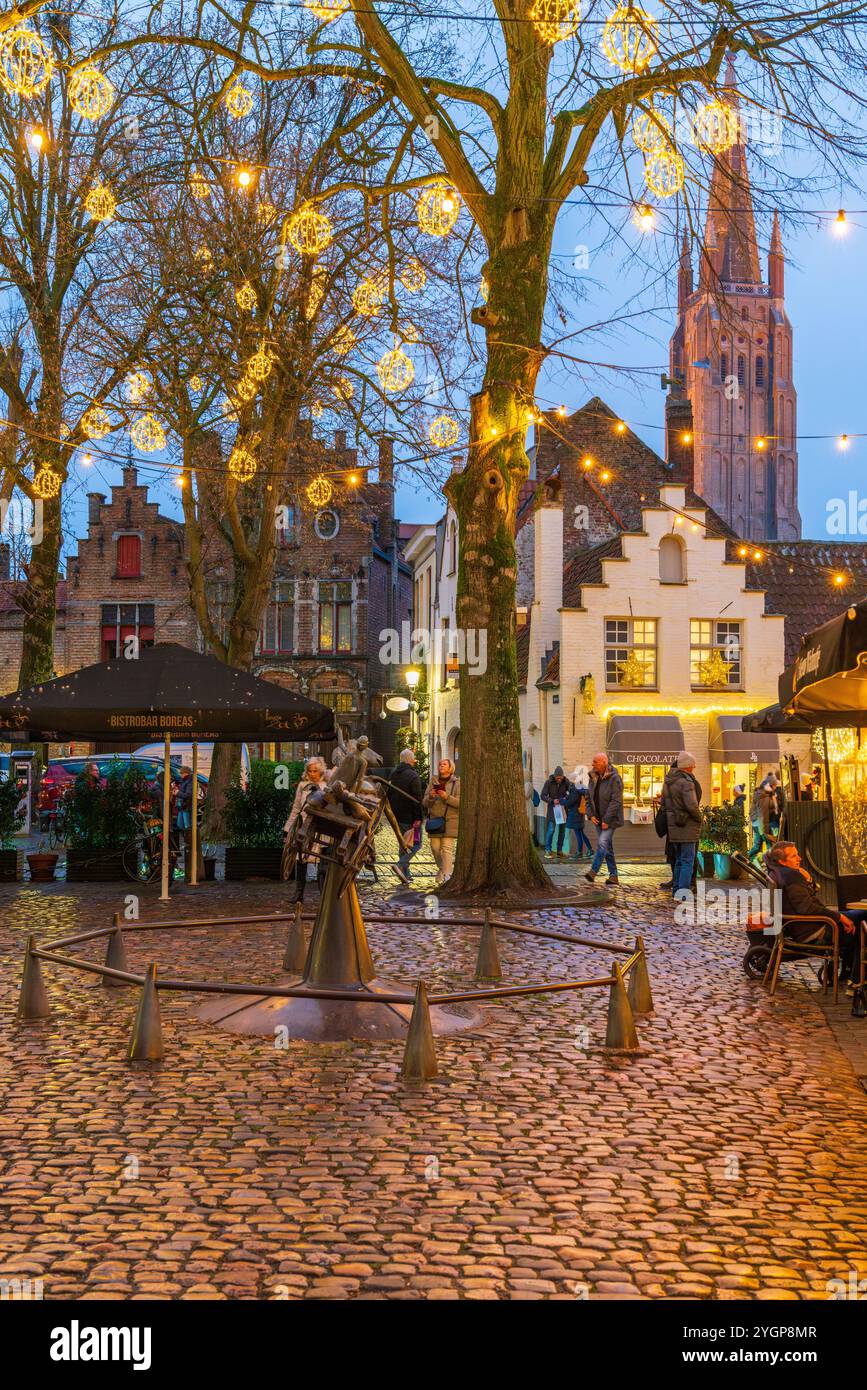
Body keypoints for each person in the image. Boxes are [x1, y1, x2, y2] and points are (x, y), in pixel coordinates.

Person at [765, 840, 865, 991]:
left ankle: (850, 974)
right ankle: (857, 982)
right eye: (794, 856)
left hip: (807, 925)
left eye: (797, 854)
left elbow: (807, 901)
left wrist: (808, 880)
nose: (799, 858)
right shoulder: (790, 875)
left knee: (861, 914)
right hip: (814, 930)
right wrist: (838, 917)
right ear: (781, 861)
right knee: (862, 928)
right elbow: (806, 907)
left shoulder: (777, 872)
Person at [283, 755, 327, 903]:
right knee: (300, 859)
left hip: (322, 830)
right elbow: (296, 808)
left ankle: (323, 895)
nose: (312, 773)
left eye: (315, 771)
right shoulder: (303, 786)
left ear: (320, 771)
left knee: (323, 862)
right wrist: (288, 829)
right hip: (304, 827)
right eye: (310, 771)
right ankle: (298, 894)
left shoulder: (326, 786)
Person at [661, 752, 703, 897]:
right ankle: (683, 893)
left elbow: (664, 804)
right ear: (688, 766)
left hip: (673, 826)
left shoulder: (668, 781)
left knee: (678, 859)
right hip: (687, 827)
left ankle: (676, 890)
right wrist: (700, 818)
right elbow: (692, 806)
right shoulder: (687, 782)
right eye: (693, 764)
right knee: (687, 861)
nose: (695, 767)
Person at [584, 753, 624, 887]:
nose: (592, 764)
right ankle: (614, 876)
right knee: (607, 847)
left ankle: (593, 871)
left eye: (595, 762)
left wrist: (607, 819)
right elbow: (588, 798)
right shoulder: (593, 777)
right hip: (598, 818)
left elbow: (616, 801)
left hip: (610, 819)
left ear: (604, 762)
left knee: (602, 843)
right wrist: (591, 815)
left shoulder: (615, 778)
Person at [387, 748, 424, 883]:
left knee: (403, 844)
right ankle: (400, 864)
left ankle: (405, 874)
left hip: (397, 816)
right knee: (416, 844)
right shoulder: (413, 776)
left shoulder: (394, 774)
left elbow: (389, 794)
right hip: (411, 818)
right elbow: (417, 798)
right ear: (410, 760)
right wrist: (418, 818)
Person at [423, 758, 460, 886]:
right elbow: (425, 802)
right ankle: (442, 868)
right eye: (439, 764)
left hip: (450, 820)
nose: (441, 766)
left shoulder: (457, 783)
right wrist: (431, 797)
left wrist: (447, 797)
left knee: (447, 848)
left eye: (444, 764)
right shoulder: (433, 782)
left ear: (450, 768)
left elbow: (460, 803)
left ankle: (447, 876)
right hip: (435, 821)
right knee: (435, 848)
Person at [540, 765, 571, 859]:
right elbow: (543, 795)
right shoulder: (548, 782)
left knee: (562, 831)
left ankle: (559, 850)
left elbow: (571, 793)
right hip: (552, 810)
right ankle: (548, 850)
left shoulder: (566, 782)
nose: (559, 779)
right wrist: (552, 801)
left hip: (563, 810)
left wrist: (565, 798)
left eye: (560, 778)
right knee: (551, 830)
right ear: (554, 776)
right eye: (557, 778)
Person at [749, 776, 776, 861]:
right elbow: (763, 815)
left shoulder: (759, 795)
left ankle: (748, 860)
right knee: (769, 845)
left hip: (756, 824)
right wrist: (766, 830)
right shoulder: (763, 797)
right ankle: (769, 863)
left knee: (757, 846)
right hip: (761, 825)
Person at [565, 777, 592, 860]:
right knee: (581, 833)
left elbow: (570, 802)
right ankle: (590, 850)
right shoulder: (582, 789)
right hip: (580, 814)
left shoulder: (575, 790)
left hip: (575, 815)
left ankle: (579, 852)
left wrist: (562, 801)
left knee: (578, 834)